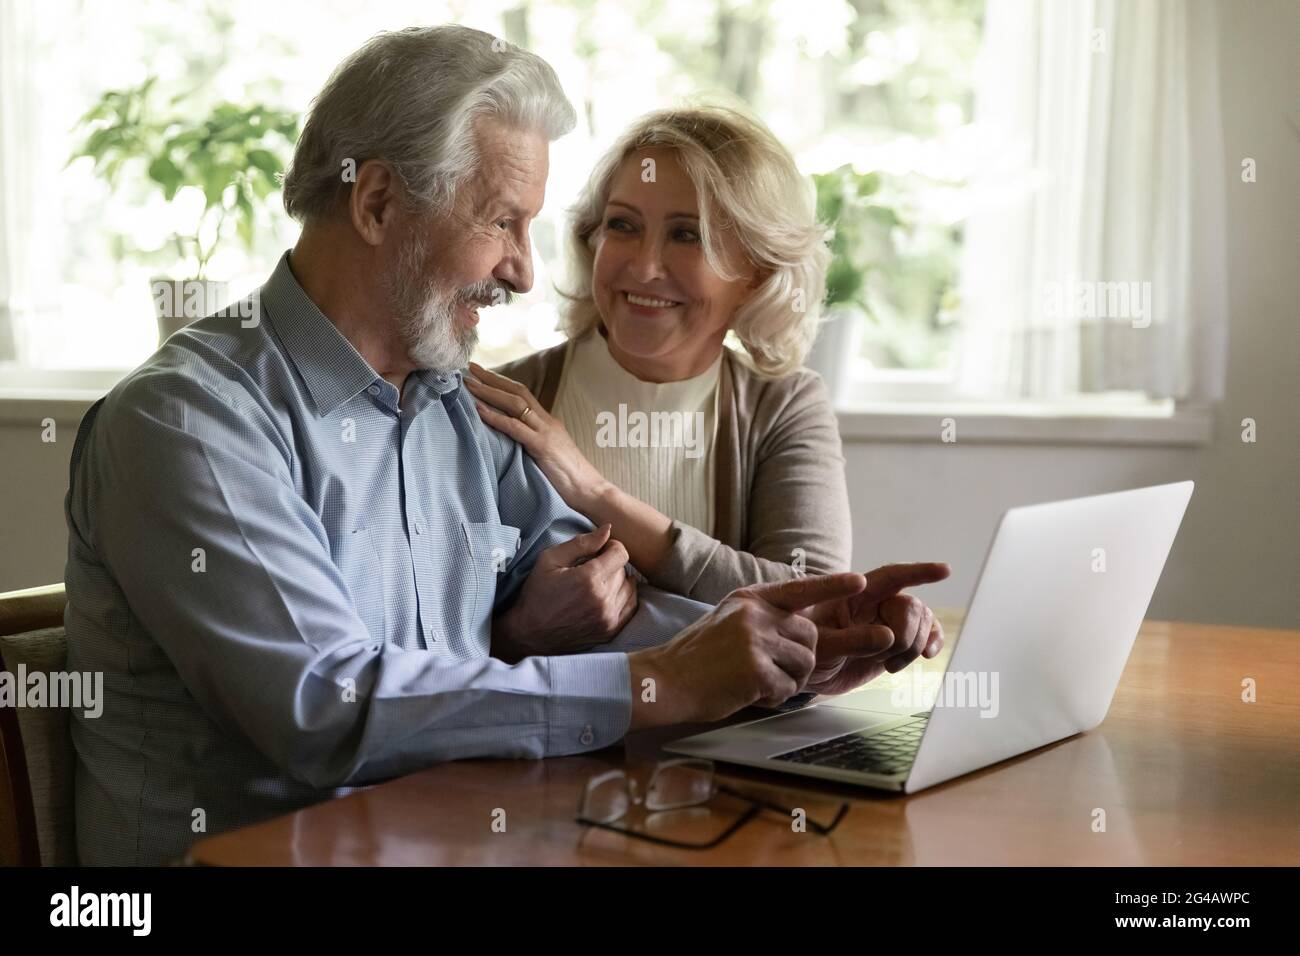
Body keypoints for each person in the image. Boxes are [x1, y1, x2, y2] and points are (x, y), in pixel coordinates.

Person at [63, 25, 948, 866]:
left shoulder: (456, 405)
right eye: (502, 222)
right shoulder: (189, 421)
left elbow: (617, 608)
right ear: (376, 203)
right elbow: (325, 708)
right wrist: (659, 682)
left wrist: (799, 652)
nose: (526, 271)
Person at [469, 104, 851, 604]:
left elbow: (814, 600)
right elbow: (449, 626)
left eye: (687, 235)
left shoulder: (783, 406)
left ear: (756, 271)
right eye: (623, 226)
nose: (645, 267)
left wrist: (594, 493)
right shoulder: (501, 404)